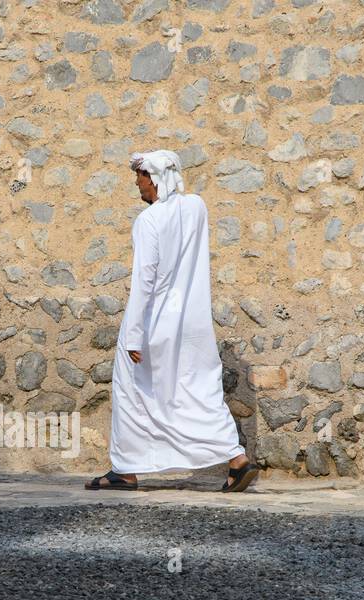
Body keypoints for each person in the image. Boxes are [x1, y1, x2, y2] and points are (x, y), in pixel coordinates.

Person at [86, 149, 259, 493]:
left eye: (141, 176)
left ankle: (125, 469)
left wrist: (134, 334)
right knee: (197, 392)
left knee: (130, 391)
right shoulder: (196, 207)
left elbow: (145, 279)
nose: (137, 182)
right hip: (191, 324)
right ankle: (236, 459)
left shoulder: (148, 221)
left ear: (155, 179)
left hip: (154, 324)